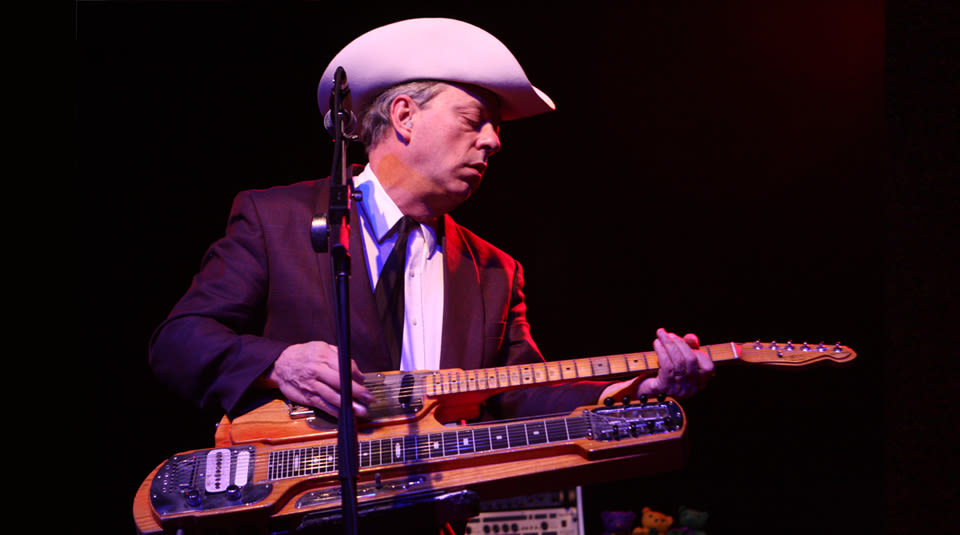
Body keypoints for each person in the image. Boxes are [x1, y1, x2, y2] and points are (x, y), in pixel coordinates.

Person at [149, 17, 713, 531]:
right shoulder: (278, 219)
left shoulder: (494, 270)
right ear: (404, 117)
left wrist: (638, 389)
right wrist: (278, 364)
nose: (493, 140)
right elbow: (179, 342)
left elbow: (522, 394)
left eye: (494, 128)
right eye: (474, 120)